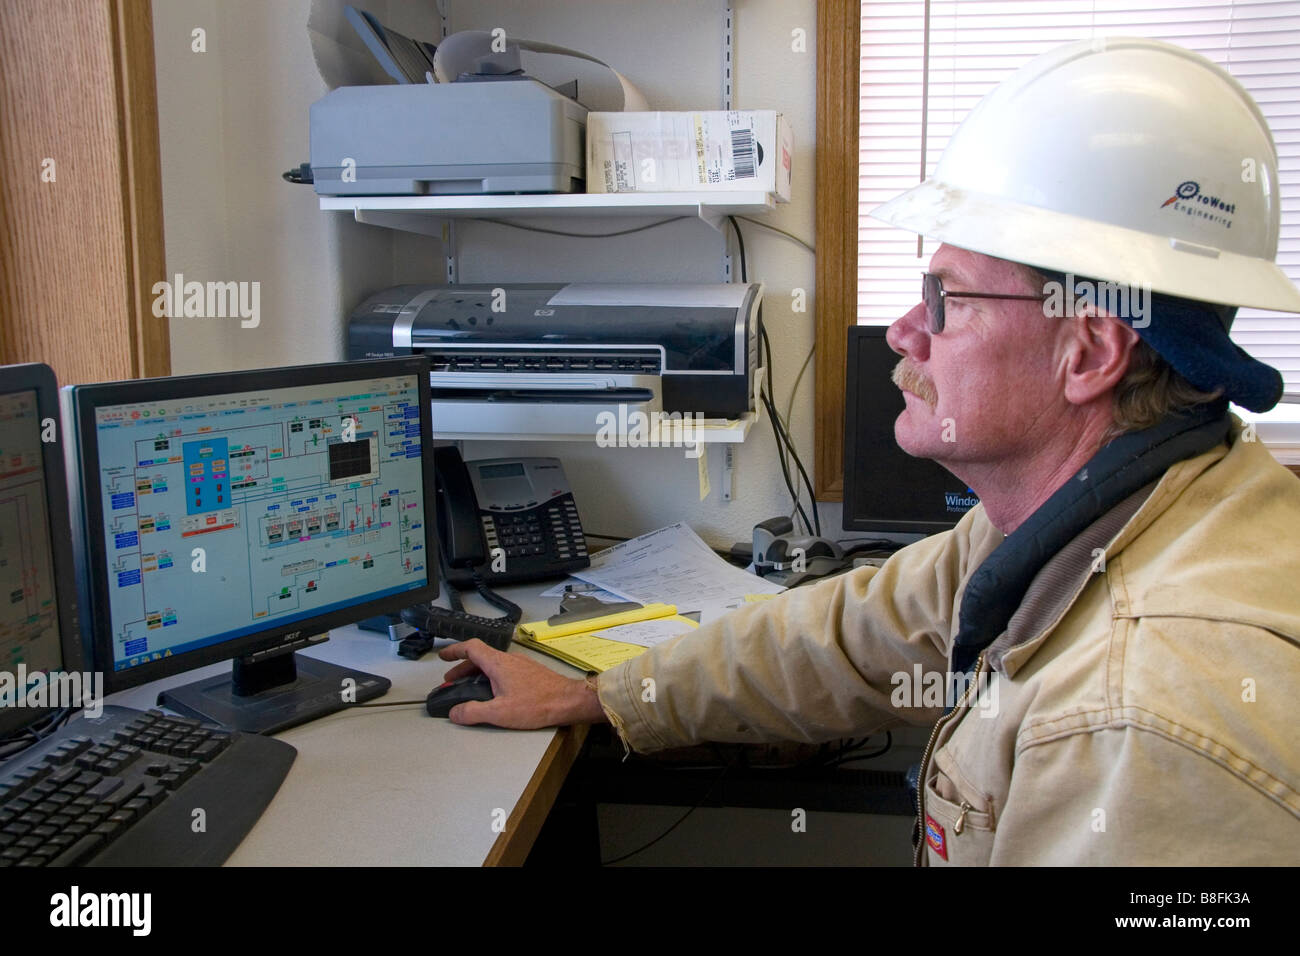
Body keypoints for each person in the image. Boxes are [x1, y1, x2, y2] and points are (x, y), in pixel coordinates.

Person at [437, 38, 1300, 864]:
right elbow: (846, 634)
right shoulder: (1091, 515)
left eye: (947, 298)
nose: (904, 332)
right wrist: (598, 695)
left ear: (1089, 351)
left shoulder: (1143, 719)